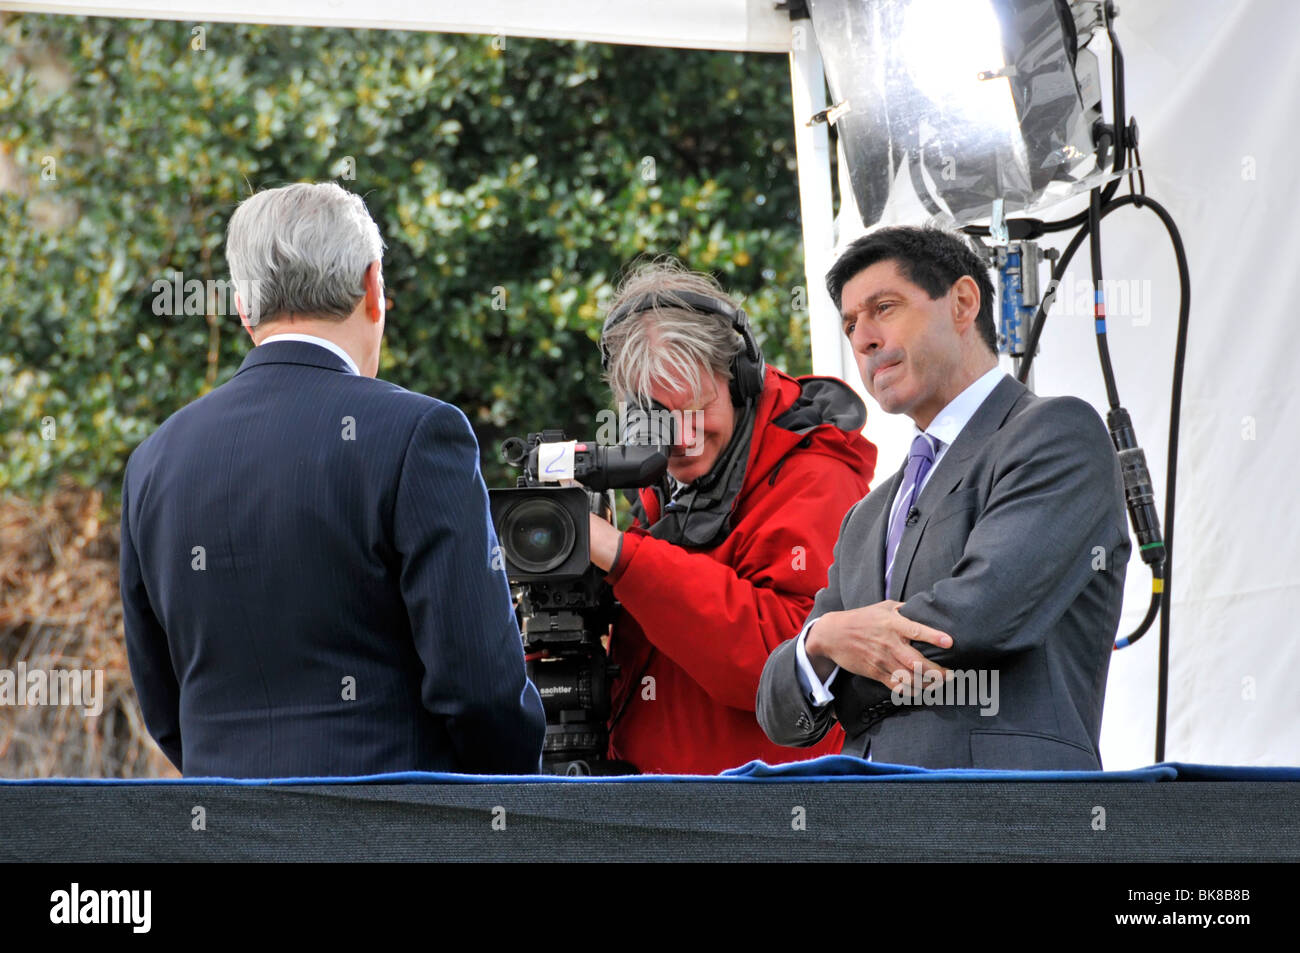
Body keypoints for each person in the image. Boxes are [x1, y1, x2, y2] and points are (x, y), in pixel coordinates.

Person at [120, 182, 545, 778]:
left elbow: (164, 705)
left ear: (244, 307)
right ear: (374, 287)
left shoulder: (154, 461)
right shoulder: (420, 434)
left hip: (221, 831)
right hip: (391, 832)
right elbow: (480, 690)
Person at [756, 225, 1130, 770]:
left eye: (884, 307)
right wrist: (822, 638)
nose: (863, 338)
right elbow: (775, 709)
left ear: (961, 303)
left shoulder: (1056, 432)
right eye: (851, 324)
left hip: (1011, 822)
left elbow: (980, 617)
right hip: (872, 828)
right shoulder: (865, 516)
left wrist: (840, 668)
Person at [588, 261, 878, 775]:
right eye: (658, 418)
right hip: (664, 814)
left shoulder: (816, 475)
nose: (683, 437)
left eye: (696, 410)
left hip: (762, 820)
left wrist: (625, 558)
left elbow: (781, 662)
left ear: (740, 381)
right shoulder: (661, 491)